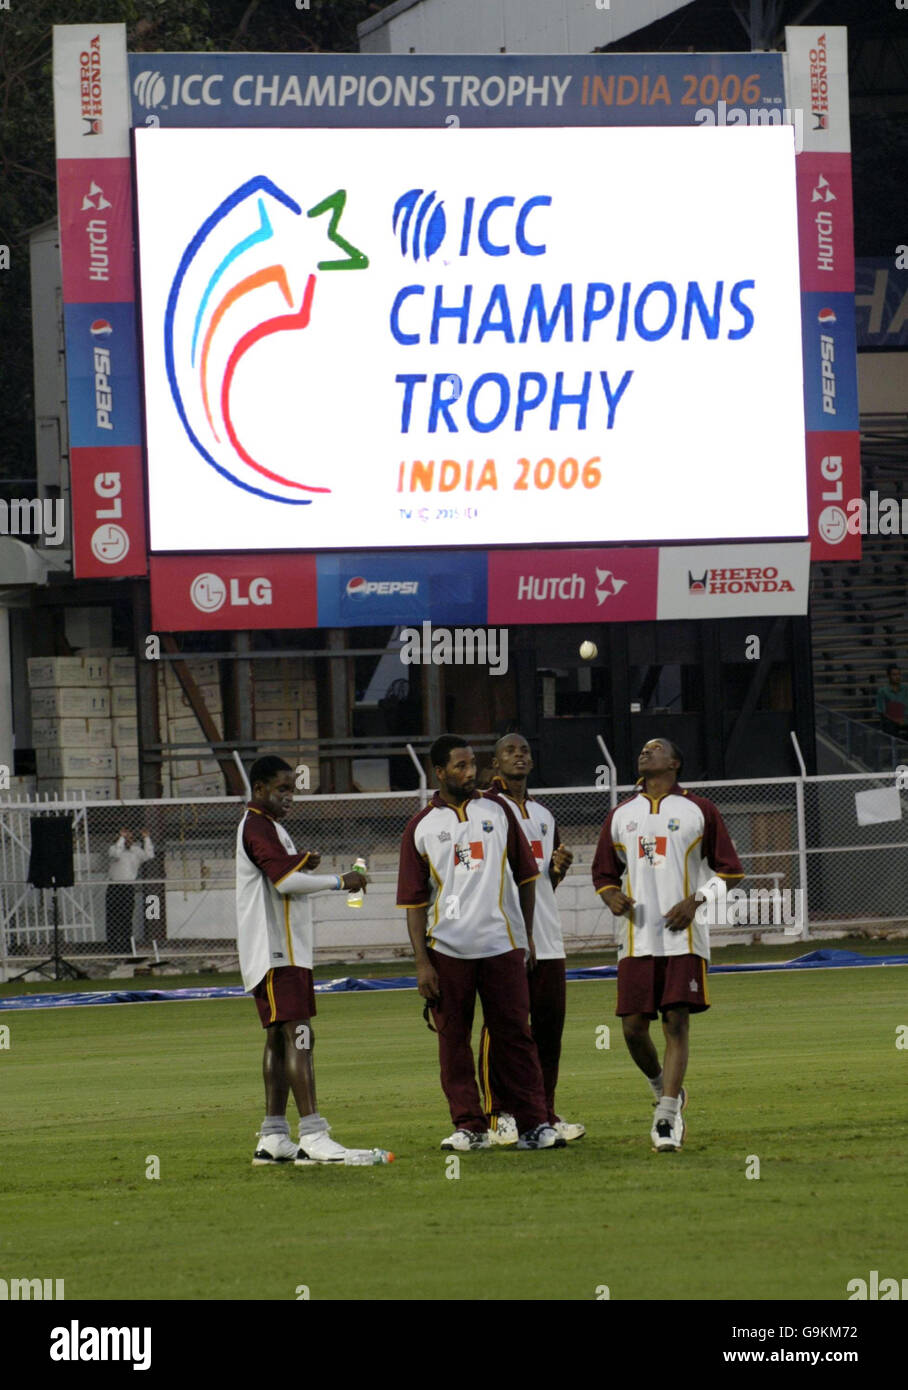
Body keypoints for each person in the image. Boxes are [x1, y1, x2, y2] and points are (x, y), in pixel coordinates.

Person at [397, 734, 565, 1151]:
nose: (470, 772)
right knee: (454, 1042)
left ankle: (534, 1124)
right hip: (447, 949)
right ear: (439, 772)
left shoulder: (499, 811)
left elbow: (528, 878)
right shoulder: (420, 827)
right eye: (459, 766)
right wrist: (422, 962)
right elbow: (414, 903)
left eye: (472, 764)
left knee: (516, 1037)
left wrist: (525, 936)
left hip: (501, 945)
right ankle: (470, 1126)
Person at [591, 737, 743, 1153]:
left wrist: (696, 900)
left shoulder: (699, 810)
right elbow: (603, 872)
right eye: (642, 748)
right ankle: (662, 1088)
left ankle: (667, 1116)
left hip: (683, 938)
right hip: (636, 938)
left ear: (674, 762)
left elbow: (730, 871)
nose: (645, 752)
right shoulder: (622, 814)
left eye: (656, 748)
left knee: (675, 1022)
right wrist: (610, 895)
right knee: (633, 1028)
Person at [236, 755, 371, 1166]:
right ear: (260, 789)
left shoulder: (270, 827)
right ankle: (313, 1132)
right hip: (279, 952)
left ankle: (274, 1134)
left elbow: (282, 872)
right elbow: (285, 882)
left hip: (279, 950)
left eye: (293, 788)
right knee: (300, 1036)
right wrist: (339, 881)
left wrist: (301, 863)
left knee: (280, 1038)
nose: (290, 796)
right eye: (282, 788)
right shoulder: (258, 825)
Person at [478, 732, 585, 1145]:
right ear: (495, 762)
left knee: (548, 1031)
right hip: (505, 935)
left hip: (547, 934)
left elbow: (540, 884)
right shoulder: (487, 808)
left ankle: (542, 1113)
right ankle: (498, 1114)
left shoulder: (542, 813)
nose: (519, 756)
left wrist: (557, 870)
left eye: (525, 750)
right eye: (510, 750)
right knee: (504, 1027)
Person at [106, 827, 154, 952]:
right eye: (125, 838)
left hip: (127, 887)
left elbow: (149, 855)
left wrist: (146, 838)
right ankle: (112, 946)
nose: (128, 840)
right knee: (112, 918)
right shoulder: (114, 849)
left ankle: (127, 946)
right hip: (114, 886)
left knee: (126, 918)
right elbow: (116, 854)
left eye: (129, 838)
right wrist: (121, 838)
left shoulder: (136, 851)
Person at [876, 665, 906, 737]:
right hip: (891, 721)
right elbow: (882, 712)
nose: (897, 677)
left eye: (899, 674)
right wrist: (896, 720)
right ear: (888, 676)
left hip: (905, 719)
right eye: (894, 675)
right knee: (890, 726)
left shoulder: (906, 689)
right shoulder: (882, 691)